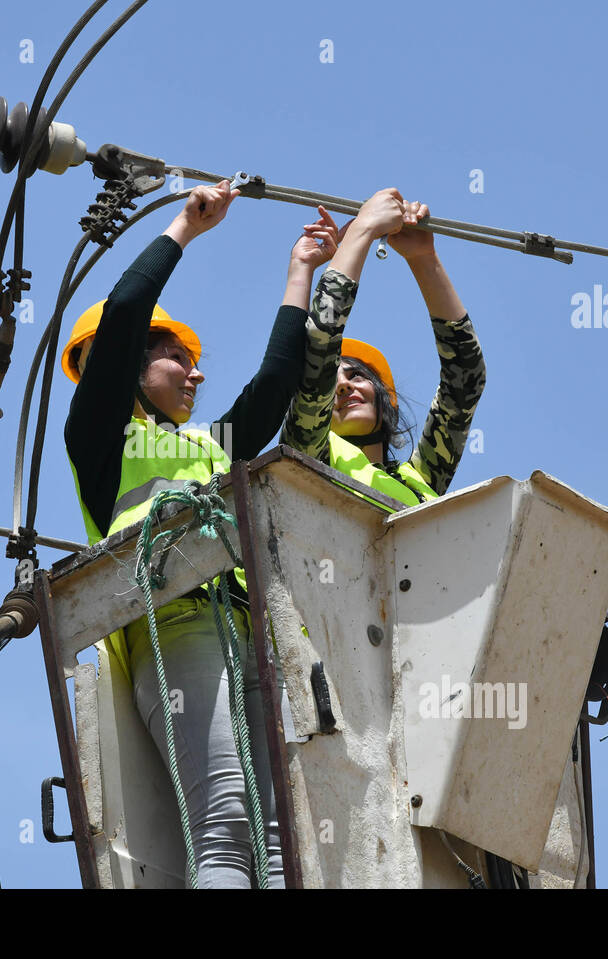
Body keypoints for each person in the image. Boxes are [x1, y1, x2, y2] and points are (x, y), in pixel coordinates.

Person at [61, 180, 408, 887]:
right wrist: (185, 227)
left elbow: (276, 382)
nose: (195, 370)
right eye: (173, 357)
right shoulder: (98, 438)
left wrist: (301, 271)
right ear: (122, 366)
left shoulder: (209, 446)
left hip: (251, 624)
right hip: (179, 624)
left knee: (284, 840)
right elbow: (125, 312)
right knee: (223, 828)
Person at [282, 190, 484, 505]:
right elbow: (321, 342)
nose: (343, 386)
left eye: (357, 376)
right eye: (331, 383)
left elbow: (466, 378)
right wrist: (363, 230)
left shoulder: (421, 479)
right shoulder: (307, 452)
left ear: (385, 398)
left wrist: (423, 258)